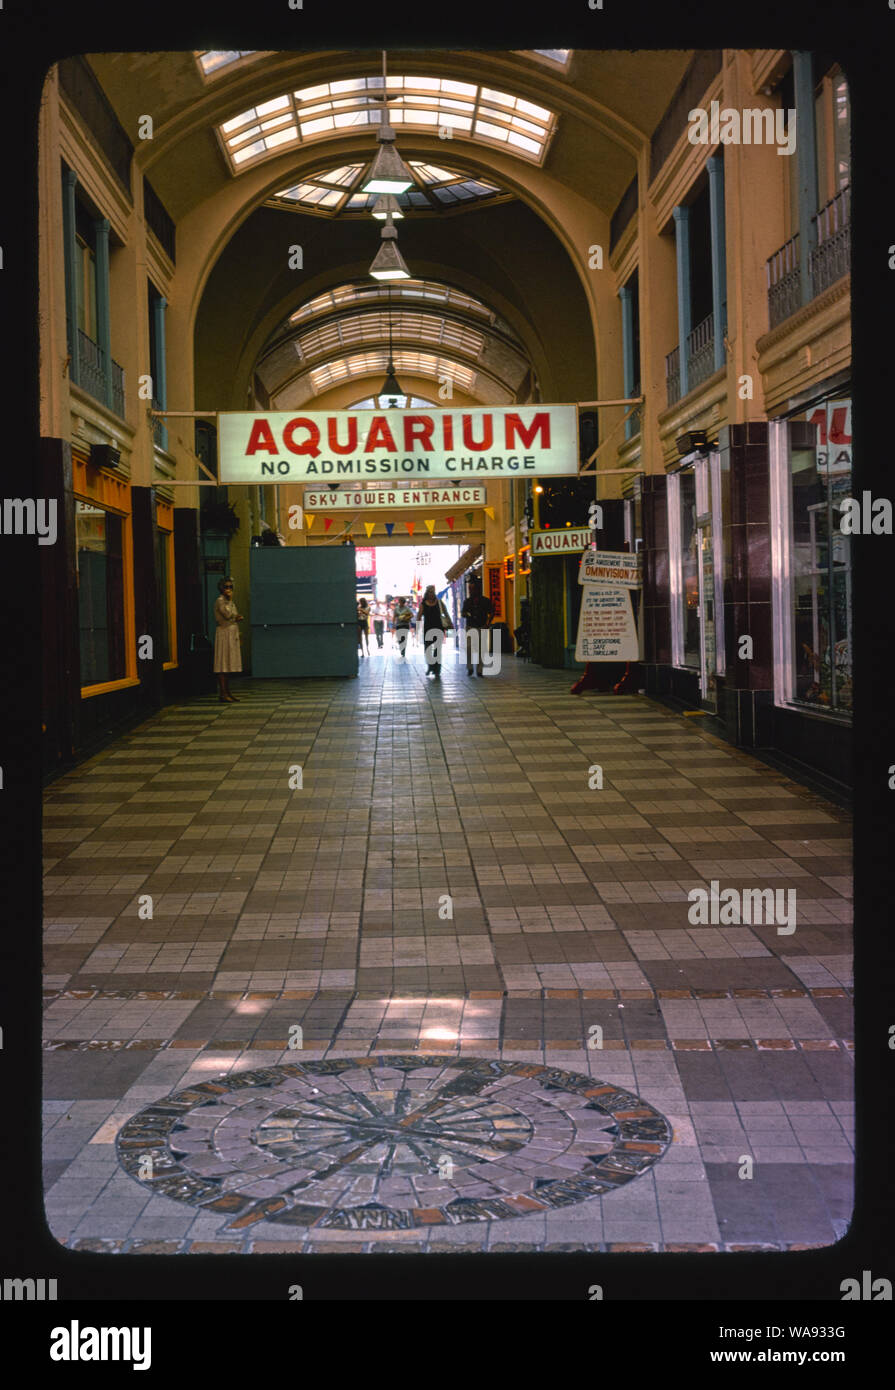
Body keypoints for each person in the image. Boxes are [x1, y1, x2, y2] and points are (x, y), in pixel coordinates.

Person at [213, 576, 243, 702]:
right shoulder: (221, 601)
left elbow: (235, 615)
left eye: (230, 587)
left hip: (231, 633)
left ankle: (227, 691)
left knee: (228, 664)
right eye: (226, 587)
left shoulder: (229, 601)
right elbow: (228, 614)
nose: (229, 589)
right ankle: (223, 692)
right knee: (223, 663)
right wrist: (235, 617)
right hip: (224, 633)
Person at [418, 584, 453, 679]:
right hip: (427, 629)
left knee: (438, 650)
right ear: (427, 593)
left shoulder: (439, 602)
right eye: (429, 592)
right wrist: (418, 628)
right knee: (428, 650)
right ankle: (430, 666)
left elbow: (446, 613)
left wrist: (450, 624)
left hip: (439, 628)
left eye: (432, 592)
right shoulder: (423, 604)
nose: (431, 594)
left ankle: (437, 670)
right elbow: (419, 616)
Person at [461, 575, 493, 676]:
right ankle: (470, 667)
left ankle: (479, 670)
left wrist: (487, 623)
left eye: (472, 589)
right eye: (469, 589)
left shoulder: (485, 601)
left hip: (481, 626)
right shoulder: (467, 601)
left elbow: (492, 612)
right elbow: (463, 613)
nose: (470, 591)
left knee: (481, 648)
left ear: (477, 589)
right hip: (470, 627)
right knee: (469, 647)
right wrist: (467, 614)